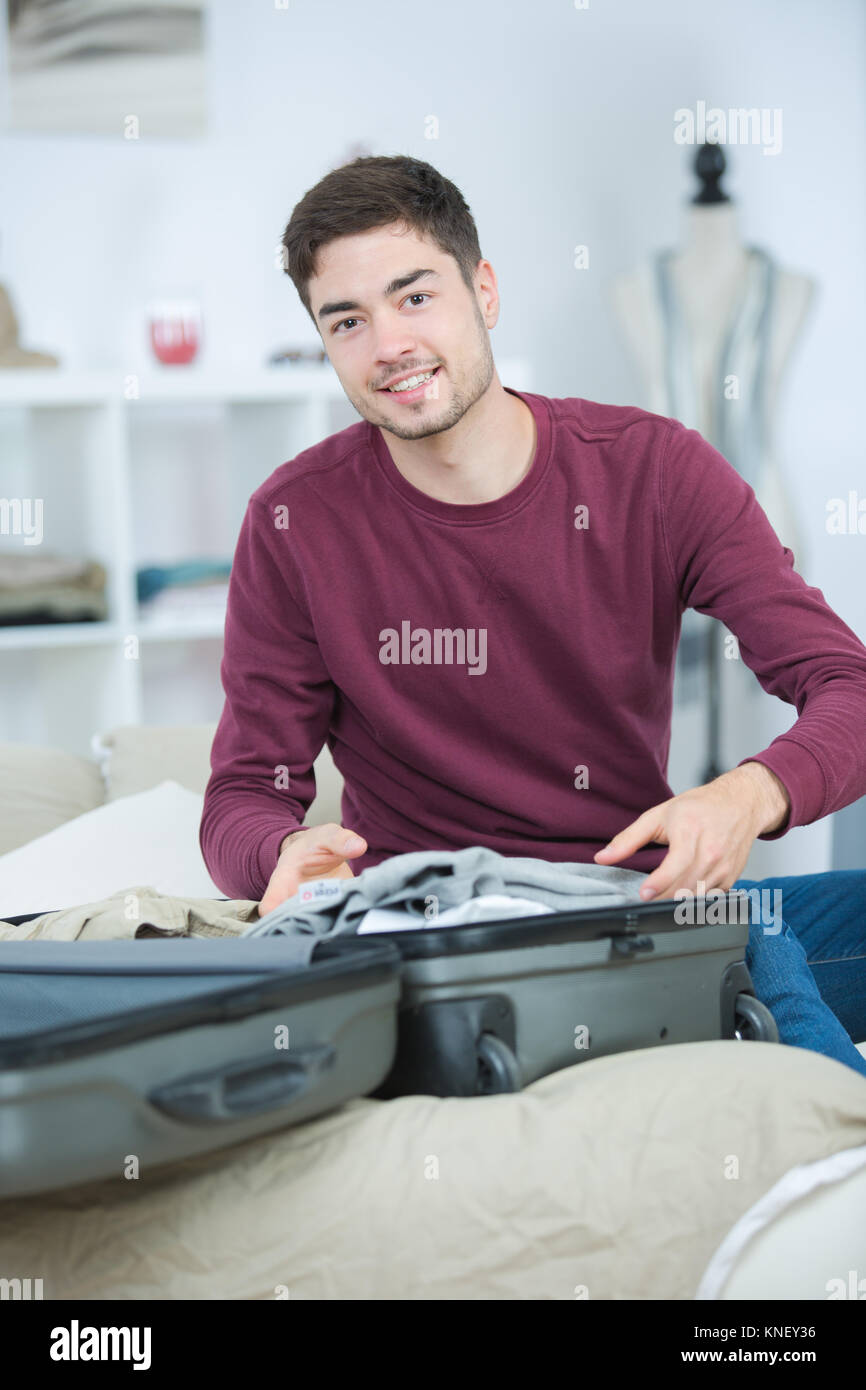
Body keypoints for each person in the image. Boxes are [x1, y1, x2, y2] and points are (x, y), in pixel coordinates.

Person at [199, 155, 866, 1078]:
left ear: (485, 292)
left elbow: (848, 687)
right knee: (752, 943)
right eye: (347, 321)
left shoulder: (655, 472)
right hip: (440, 934)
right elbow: (241, 796)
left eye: (415, 297)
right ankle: (835, 1163)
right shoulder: (294, 519)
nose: (388, 343)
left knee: (760, 924)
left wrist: (747, 793)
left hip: (629, 900)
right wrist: (280, 850)